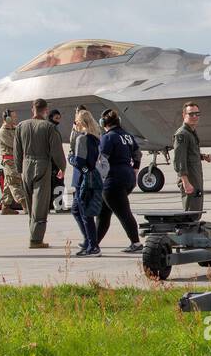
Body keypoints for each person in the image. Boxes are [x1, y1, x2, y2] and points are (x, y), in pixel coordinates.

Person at [15, 98, 66, 248]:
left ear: (33, 109)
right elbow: (57, 151)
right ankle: (36, 239)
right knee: (40, 203)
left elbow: (17, 150)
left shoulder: (21, 126)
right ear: (46, 111)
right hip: (43, 164)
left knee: (30, 203)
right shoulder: (49, 127)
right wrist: (62, 168)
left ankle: (33, 232)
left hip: (26, 165)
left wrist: (19, 169)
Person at [96, 108, 143, 253]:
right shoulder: (127, 136)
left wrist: (97, 177)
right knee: (103, 212)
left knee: (123, 213)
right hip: (128, 177)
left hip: (113, 180)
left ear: (103, 123)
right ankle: (92, 242)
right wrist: (134, 170)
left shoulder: (108, 137)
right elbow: (138, 154)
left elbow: (102, 159)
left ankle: (136, 243)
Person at [69, 110, 103, 256]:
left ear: (81, 123)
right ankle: (89, 240)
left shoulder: (82, 139)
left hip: (84, 178)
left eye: (76, 121)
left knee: (85, 213)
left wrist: (70, 158)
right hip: (91, 175)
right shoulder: (95, 138)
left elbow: (79, 161)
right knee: (76, 210)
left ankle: (93, 246)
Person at [172, 101, 211, 213]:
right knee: (191, 212)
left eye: (197, 114)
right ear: (184, 115)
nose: (194, 117)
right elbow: (179, 159)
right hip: (189, 179)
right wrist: (185, 182)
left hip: (195, 177)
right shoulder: (182, 134)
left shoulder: (191, 132)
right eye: (191, 114)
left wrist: (203, 156)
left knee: (196, 210)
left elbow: (189, 153)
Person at [0, 109, 25, 216]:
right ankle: (24, 203)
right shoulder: (2, 132)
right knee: (15, 181)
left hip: (17, 159)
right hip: (9, 160)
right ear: (7, 118)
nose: (15, 118)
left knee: (8, 183)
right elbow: (15, 144)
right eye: (13, 117)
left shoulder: (16, 129)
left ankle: (5, 206)